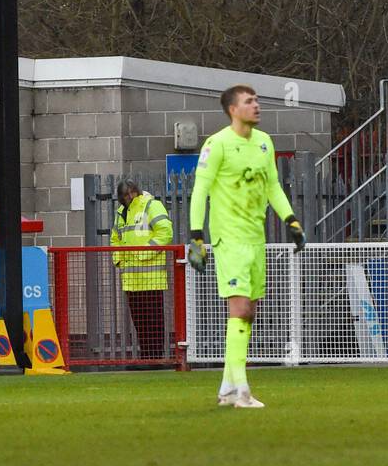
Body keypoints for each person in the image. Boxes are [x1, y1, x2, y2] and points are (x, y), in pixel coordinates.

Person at [188, 84, 305, 408]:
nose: (256, 105)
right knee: (239, 308)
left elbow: (273, 188)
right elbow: (201, 190)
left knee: (248, 312)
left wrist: (291, 220)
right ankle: (242, 391)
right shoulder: (217, 144)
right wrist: (197, 235)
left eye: (256, 100)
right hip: (230, 237)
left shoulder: (264, 143)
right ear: (232, 110)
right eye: (249, 102)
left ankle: (226, 388)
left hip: (255, 238)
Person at [111, 176, 173, 360]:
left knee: (152, 320)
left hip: (151, 276)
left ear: (136, 191)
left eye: (130, 193)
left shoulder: (151, 205)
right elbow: (115, 239)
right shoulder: (121, 212)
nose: (129, 197)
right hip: (131, 278)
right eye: (125, 195)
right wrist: (119, 260)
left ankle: (154, 357)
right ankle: (147, 356)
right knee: (139, 321)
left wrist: (143, 253)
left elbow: (165, 232)